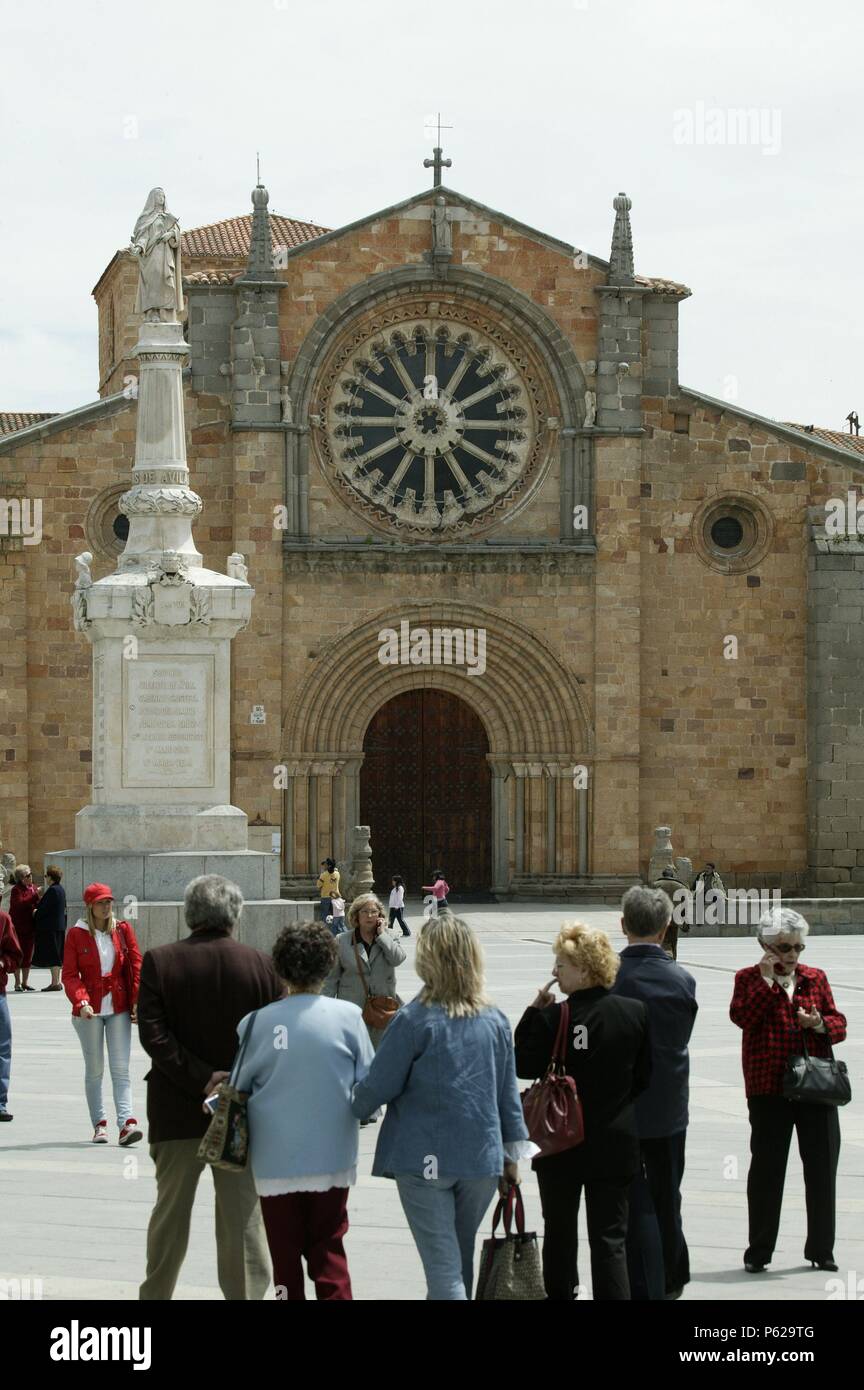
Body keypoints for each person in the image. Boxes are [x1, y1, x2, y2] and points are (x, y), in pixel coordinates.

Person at [352, 914, 532, 1300]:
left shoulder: (414, 1020)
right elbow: (507, 1095)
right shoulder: (495, 1020)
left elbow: (377, 1088)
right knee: (457, 1256)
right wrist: (512, 1155)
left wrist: (351, 1100)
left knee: (443, 1269)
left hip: (424, 1161)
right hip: (481, 1160)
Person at [137, 874, 283, 1301]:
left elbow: (153, 1035)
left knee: (170, 1215)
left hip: (176, 1109)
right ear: (235, 915)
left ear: (189, 914)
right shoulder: (261, 965)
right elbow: (273, 1039)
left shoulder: (160, 961)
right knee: (242, 1220)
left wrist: (202, 1078)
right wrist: (232, 1078)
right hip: (239, 1112)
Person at [231, 921, 374, 1300]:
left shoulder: (255, 1023)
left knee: (283, 1258)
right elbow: (369, 1083)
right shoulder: (348, 1017)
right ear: (327, 966)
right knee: (329, 1250)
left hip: (274, 1161)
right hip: (333, 1157)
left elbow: (238, 1087)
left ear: (281, 967)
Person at [515, 923, 651, 1301]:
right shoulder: (635, 1012)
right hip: (615, 1141)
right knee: (610, 1240)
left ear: (586, 970)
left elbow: (521, 1064)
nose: (555, 971)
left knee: (559, 1234)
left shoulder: (552, 1017)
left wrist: (532, 1011)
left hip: (560, 1144)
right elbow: (643, 1078)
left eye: (562, 964)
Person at [730, 907, 847, 1274]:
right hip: (768, 1088)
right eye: (783, 947)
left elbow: (840, 1025)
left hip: (816, 1087)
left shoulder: (815, 978)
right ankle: (759, 1250)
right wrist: (767, 984)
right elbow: (742, 1017)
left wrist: (819, 1024)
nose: (792, 955)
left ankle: (821, 1250)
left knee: (822, 1168)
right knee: (767, 1170)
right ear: (764, 946)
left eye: (798, 947)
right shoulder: (748, 979)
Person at [613, 886, 698, 1301]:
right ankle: (674, 1273)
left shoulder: (610, 978)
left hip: (621, 1110)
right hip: (668, 1107)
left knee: (632, 1196)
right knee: (668, 1190)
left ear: (622, 925)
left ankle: (642, 1275)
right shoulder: (683, 979)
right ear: (666, 929)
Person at [62, 882, 143, 1145]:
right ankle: (99, 1124)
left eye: (109, 901)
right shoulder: (76, 934)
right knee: (95, 1069)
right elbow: (70, 975)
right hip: (89, 1012)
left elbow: (135, 963)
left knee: (120, 1068)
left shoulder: (122, 929)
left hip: (118, 1007)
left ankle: (127, 1124)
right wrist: (81, 1001)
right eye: (101, 902)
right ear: (90, 906)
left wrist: (136, 998)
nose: (107, 906)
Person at [323, 894, 406, 1050]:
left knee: (380, 1055)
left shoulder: (390, 937)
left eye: (374, 912)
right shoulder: (342, 940)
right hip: (351, 1010)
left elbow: (398, 959)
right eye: (364, 912)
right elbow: (331, 979)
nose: (369, 916)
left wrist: (382, 936)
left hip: (382, 1010)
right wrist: (325, 1010)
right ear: (356, 916)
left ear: (380, 916)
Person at [0, 909, 22, 1121]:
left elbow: (15, 955)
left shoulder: (3, 919)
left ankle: (0, 1103)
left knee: (2, 1048)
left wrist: (2, 964)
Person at [33, 864, 67, 990]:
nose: (45, 878)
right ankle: (56, 981)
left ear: (51, 877)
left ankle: (55, 983)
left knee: (54, 956)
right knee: (57, 955)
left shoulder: (53, 890)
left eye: (46, 876)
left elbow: (45, 909)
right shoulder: (61, 889)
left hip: (51, 927)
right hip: (59, 926)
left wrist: (36, 912)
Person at [650, 866, 691, 961]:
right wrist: (685, 921)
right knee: (673, 942)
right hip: (675, 919)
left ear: (663, 875)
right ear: (672, 875)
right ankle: (672, 961)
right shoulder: (681, 887)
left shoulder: (655, 885)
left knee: (660, 941)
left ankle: (661, 960)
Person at [10, 865, 40, 991]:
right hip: (18, 928)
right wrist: (34, 896)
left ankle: (25, 982)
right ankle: (17, 983)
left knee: (28, 956)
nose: (31, 876)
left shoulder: (33, 888)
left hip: (30, 927)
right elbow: (19, 904)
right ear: (21, 878)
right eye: (28, 875)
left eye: (31, 874)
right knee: (18, 955)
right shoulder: (16, 890)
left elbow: (36, 902)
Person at [317, 858, 340, 924]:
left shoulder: (323, 875)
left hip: (325, 897)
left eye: (325, 865)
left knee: (324, 916)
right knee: (335, 916)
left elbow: (318, 885)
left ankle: (324, 931)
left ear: (328, 866)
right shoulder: (337, 874)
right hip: (335, 897)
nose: (324, 866)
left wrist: (322, 873)